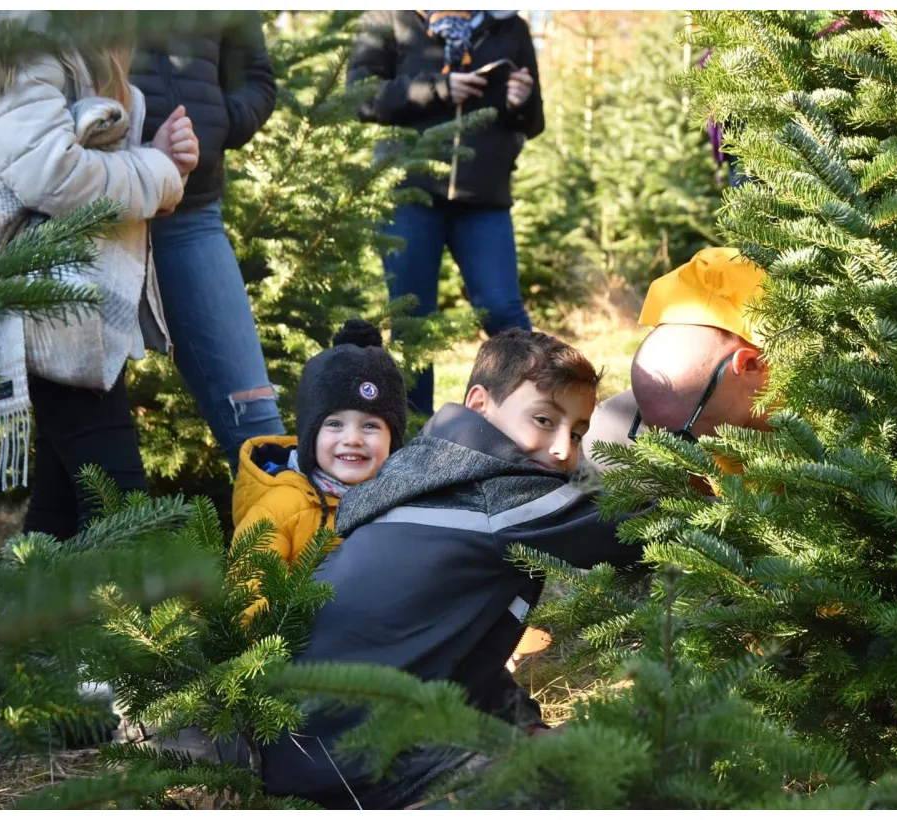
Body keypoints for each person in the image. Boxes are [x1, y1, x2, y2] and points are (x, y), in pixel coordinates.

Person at [260, 329, 644, 809]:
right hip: (368, 761)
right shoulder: (500, 491)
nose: (565, 449)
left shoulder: (424, 469)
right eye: (544, 419)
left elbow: (457, 651)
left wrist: (525, 723)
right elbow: (634, 528)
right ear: (480, 404)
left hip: (299, 749)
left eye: (579, 433)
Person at [0, 10, 199, 540]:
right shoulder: (22, 30)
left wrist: (159, 160)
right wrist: (159, 171)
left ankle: (37, 619)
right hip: (45, 296)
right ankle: (140, 626)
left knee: (67, 498)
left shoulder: (87, 33)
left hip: (76, 297)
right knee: (119, 502)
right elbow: (50, 172)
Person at [349, 10, 544, 416]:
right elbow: (361, 97)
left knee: (504, 312)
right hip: (409, 193)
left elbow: (534, 119)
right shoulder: (389, 15)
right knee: (413, 321)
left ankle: (541, 419)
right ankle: (415, 436)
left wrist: (520, 102)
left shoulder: (510, 25)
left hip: (484, 197)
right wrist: (438, 88)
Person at [130, 11, 285, 472]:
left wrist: (214, 123)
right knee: (85, 424)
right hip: (89, 210)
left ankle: (292, 539)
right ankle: (63, 543)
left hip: (190, 216)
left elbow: (257, 78)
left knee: (256, 420)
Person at [231, 318, 407, 619]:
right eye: (335, 424)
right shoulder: (281, 507)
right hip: (303, 655)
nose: (352, 439)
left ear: (393, 439)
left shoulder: (406, 503)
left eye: (371, 426)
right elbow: (248, 597)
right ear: (310, 436)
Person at [582, 247, 773, 476]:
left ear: (749, 365)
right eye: (660, 435)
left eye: (685, 437)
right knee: (604, 429)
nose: (675, 451)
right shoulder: (687, 311)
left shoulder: (813, 372)